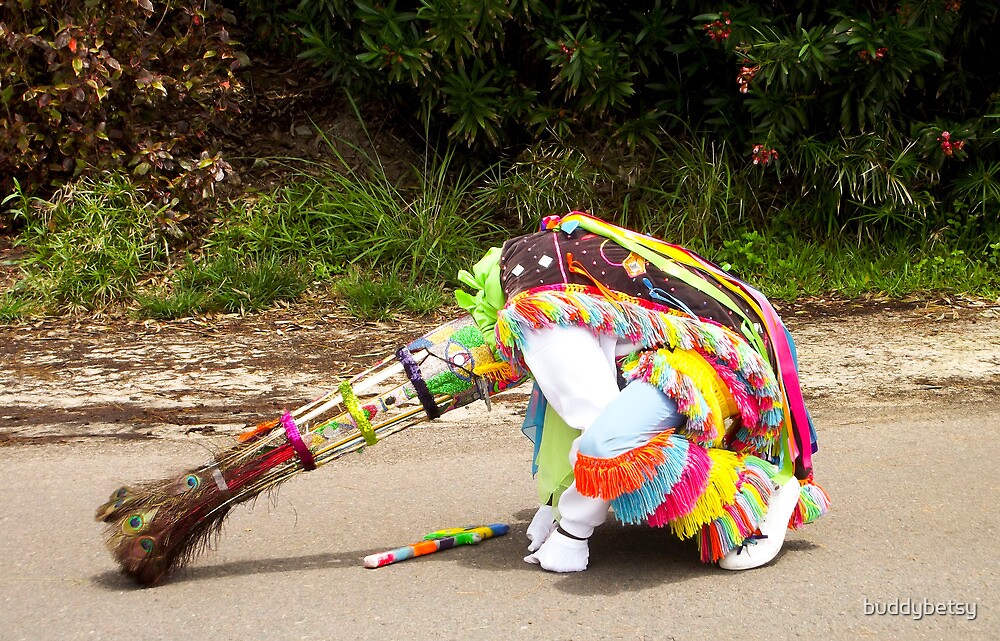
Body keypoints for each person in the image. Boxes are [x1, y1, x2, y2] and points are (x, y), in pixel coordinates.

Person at [455, 211, 829, 572]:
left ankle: (763, 494)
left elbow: (594, 419)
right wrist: (553, 507)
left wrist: (572, 531)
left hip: (722, 360)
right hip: (689, 346)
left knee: (610, 445)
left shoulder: (532, 312)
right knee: (604, 427)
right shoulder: (537, 260)